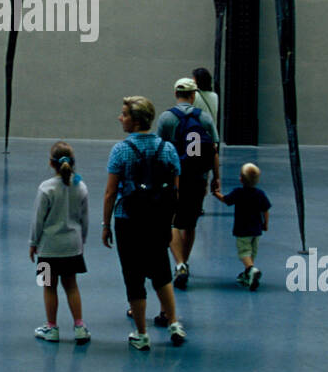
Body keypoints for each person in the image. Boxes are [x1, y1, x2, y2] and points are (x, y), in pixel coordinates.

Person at [102, 95, 186, 350]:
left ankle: (141, 334)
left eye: (124, 114)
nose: (120, 118)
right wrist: (167, 219)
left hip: (129, 221)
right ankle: (173, 322)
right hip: (157, 220)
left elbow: (110, 193)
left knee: (133, 276)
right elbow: (175, 190)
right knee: (161, 272)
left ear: (136, 120)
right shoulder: (168, 149)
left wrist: (105, 225)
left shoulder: (121, 150)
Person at [156, 77, 221, 291]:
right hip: (198, 178)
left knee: (172, 221)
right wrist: (215, 178)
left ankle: (179, 263)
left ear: (176, 93)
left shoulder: (166, 118)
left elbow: (160, 149)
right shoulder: (204, 118)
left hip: (174, 177)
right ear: (193, 95)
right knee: (190, 223)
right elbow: (213, 150)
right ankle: (186, 261)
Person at [30, 141, 90, 343]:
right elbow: (85, 218)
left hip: (48, 250)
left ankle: (51, 328)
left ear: (51, 163)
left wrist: (33, 243)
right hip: (72, 248)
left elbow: (38, 220)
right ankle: (80, 326)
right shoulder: (80, 186)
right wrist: (82, 241)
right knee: (72, 286)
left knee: (48, 286)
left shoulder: (45, 188)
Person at [213, 162, 270, 290]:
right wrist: (265, 224)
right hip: (256, 230)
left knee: (244, 253)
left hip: (242, 230)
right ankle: (247, 274)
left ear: (240, 179)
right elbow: (265, 210)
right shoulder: (260, 194)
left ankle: (251, 270)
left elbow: (226, 200)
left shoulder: (238, 193)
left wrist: (216, 193)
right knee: (252, 253)